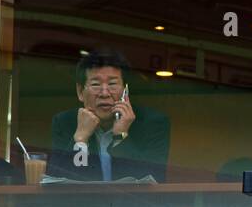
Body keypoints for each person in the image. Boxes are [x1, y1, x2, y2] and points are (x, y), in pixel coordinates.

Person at [48, 50, 170, 182]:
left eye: (112, 84)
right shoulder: (65, 122)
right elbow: (58, 181)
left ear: (125, 90)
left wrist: (121, 136)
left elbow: (152, 180)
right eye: (95, 84)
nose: (105, 93)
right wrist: (81, 140)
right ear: (80, 92)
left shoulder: (153, 123)